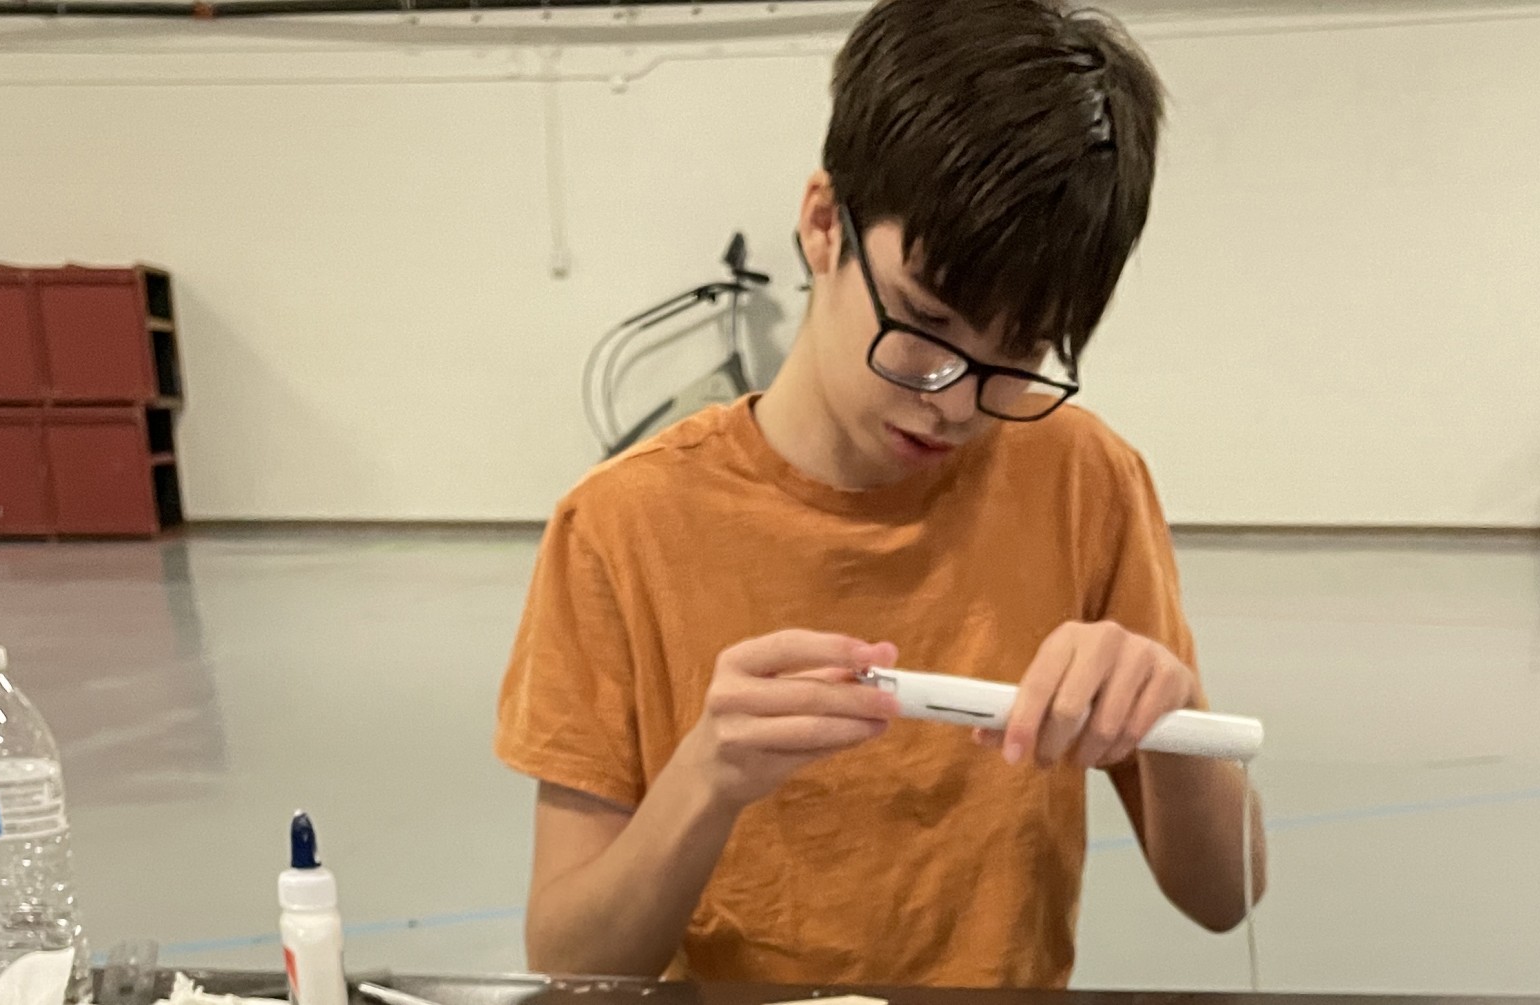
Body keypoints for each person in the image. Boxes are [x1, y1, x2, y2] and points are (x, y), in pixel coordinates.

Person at [495, 0, 1265, 988]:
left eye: (1017, 357)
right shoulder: (620, 528)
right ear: (825, 224)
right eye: (924, 321)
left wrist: (1166, 709)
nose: (953, 403)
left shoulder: (1083, 480)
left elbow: (1221, 899)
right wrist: (708, 780)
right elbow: (569, 968)